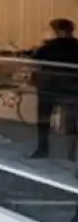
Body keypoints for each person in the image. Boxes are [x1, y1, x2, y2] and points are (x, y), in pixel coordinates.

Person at [29, 18, 78, 160]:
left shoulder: (48, 47)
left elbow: (36, 60)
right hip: (72, 89)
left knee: (44, 119)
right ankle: (71, 154)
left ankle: (42, 149)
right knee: (71, 123)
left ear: (59, 31)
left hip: (49, 87)